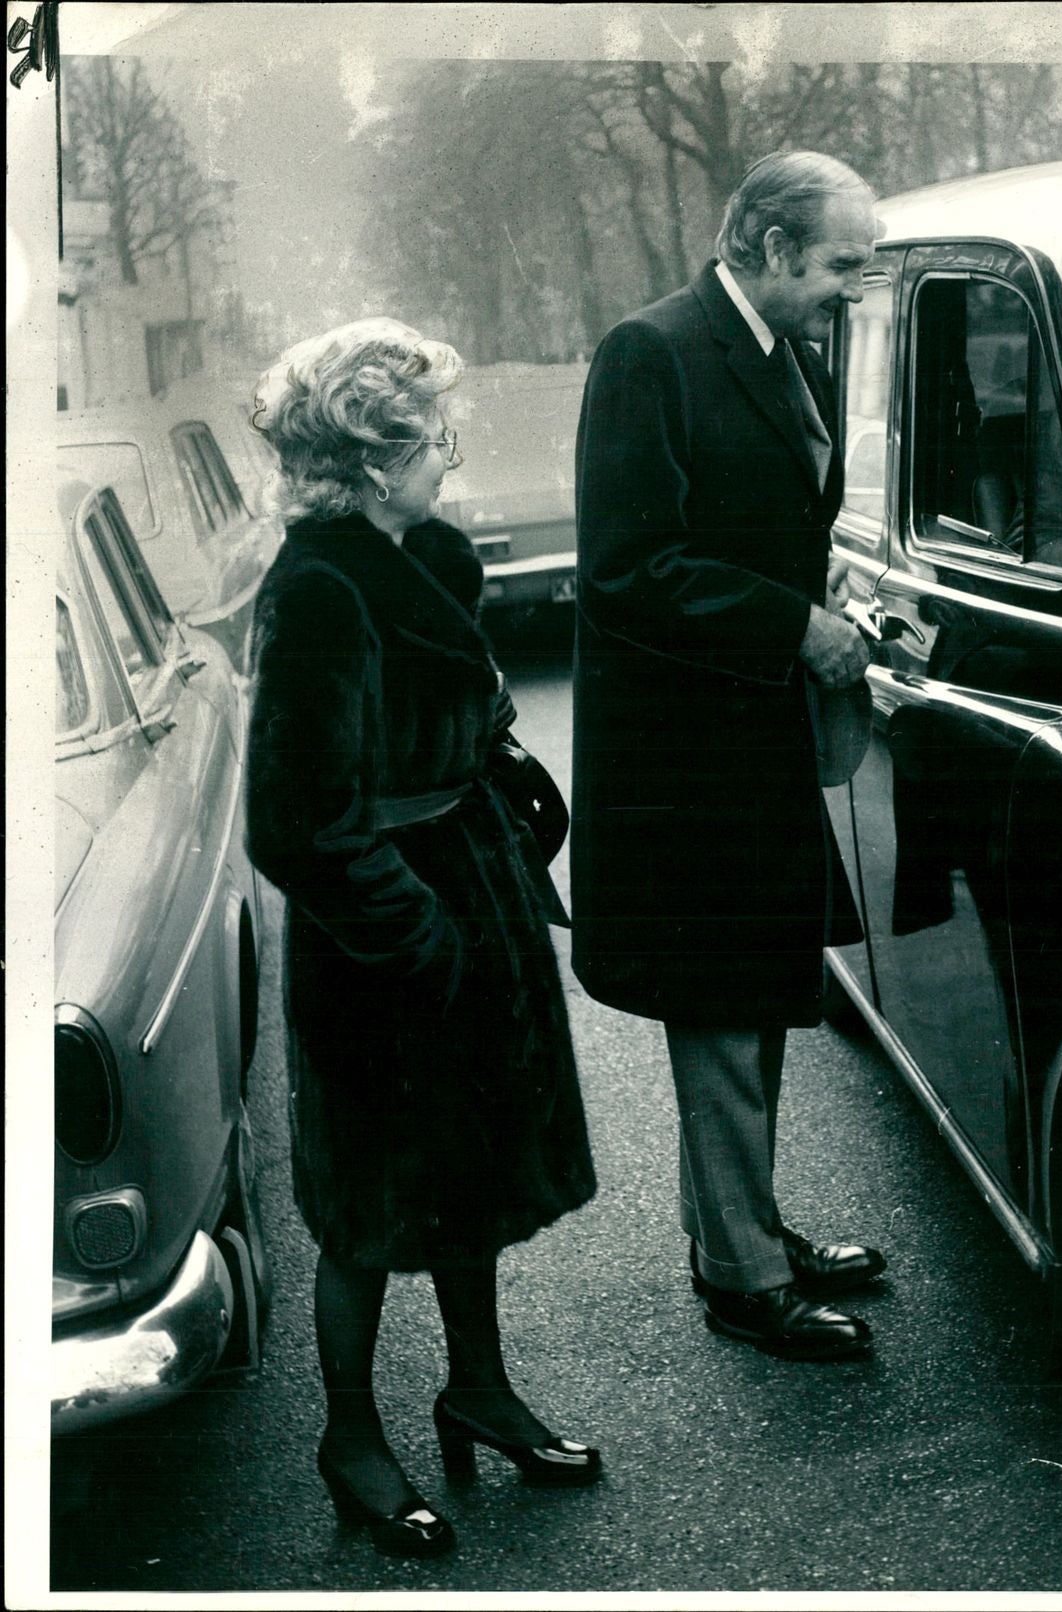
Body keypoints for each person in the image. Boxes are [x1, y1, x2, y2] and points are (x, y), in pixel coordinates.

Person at [245, 319, 601, 1559]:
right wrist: (426, 942)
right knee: (367, 1206)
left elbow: (463, 713)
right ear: (375, 455)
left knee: (471, 1172)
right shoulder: (319, 588)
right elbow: (293, 825)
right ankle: (350, 1437)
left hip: (466, 888)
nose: (452, 449)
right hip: (381, 941)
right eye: (434, 432)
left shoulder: (428, 556)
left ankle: (478, 1388)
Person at [570, 152, 886, 1361]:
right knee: (717, 1009)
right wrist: (794, 624)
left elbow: (767, 522)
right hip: (684, 762)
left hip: (744, 737)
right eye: (839, 265)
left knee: (750, 994)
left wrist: (822, 589)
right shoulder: (647, 353)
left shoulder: (785, 348)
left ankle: (741, 1232)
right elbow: (624, 569)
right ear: (763, 243)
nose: (851, 290)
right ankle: (744, 1277)